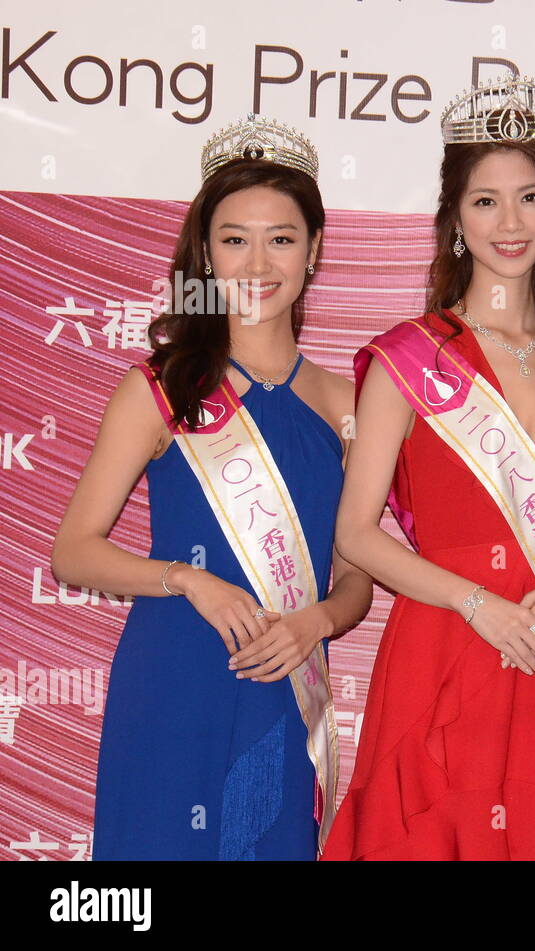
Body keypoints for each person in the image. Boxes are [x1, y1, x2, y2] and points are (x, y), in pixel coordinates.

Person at [321, 76, 535, 861]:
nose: (510, 221)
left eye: (529, 197)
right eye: (485, 200)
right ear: (456, 217)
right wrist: (475, 602)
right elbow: (356, 533)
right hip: (441, 642)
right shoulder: (408, 358)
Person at [51, 115, 373, 860]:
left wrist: (317, 621)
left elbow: (356, 572)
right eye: (234, 239)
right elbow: (74, 551)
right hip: (174, 677)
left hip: (284, 676)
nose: (257, 261)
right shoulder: (160, 389)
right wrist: (187, 579)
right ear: (204, 251)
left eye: (281, 238)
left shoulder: (348, 403)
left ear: (314, 250)